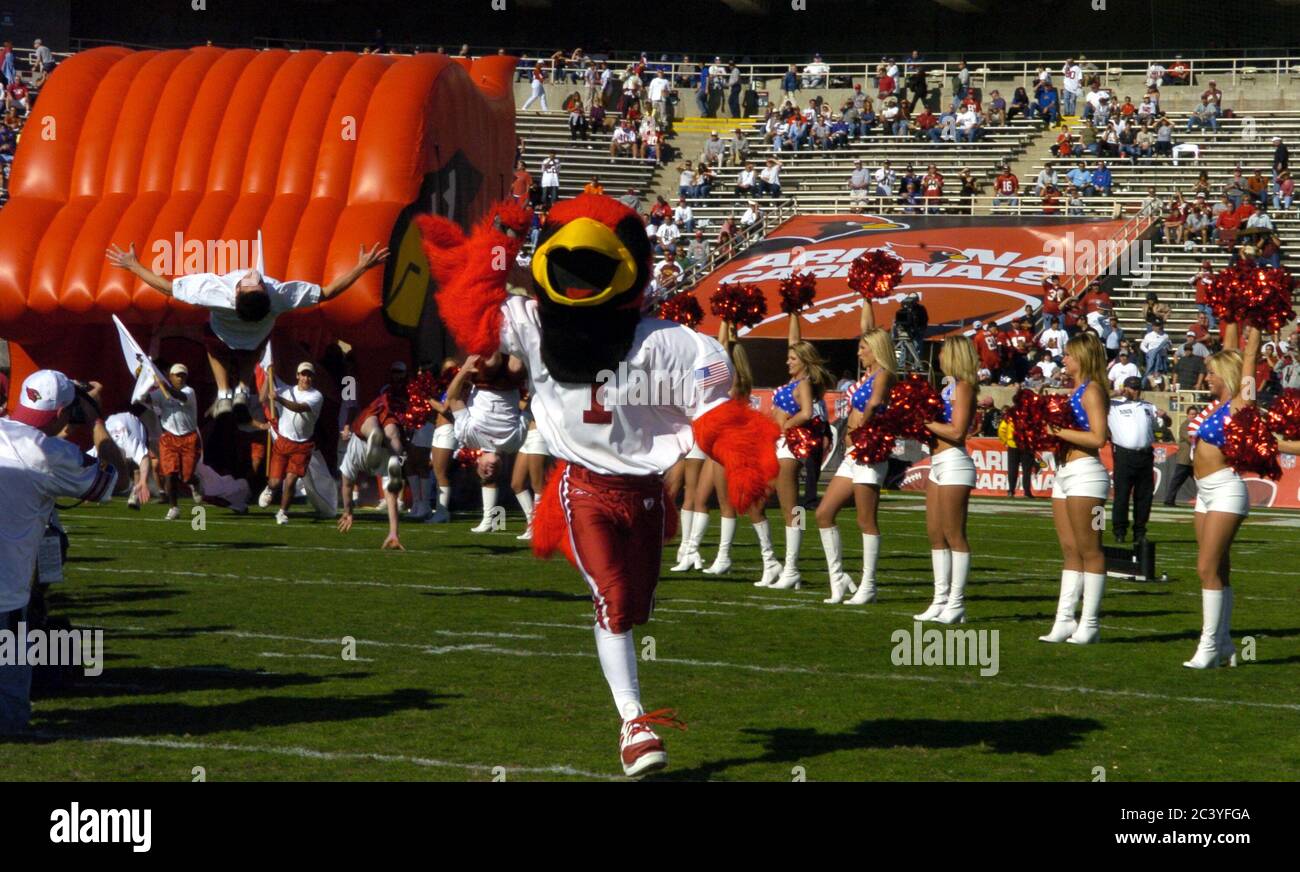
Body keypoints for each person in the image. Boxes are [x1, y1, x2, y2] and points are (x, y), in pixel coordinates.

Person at [106, 242, 387, 417]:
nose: (252, 274)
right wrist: (361, 267)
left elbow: (166, 288)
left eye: (252, 281)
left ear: (237, 292)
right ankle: (241, 388)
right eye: (255, 281)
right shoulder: (278, 296)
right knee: (254, 352)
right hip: (254, 338)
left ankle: (224, 393)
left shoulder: (216, 292)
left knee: (213, 350)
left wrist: (133, 266)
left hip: (221, 335)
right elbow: (327, 293)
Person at [0, 370, 122, 733]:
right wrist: (96, 418)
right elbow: (117, 479)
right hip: (6, 597)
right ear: (60, 414)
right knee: (10, 710)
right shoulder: (50, 455)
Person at [815, 304, 895, 604]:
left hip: (870, 452)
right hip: (851, 454)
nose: (859, 352)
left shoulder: (884, 374)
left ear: (875, 350)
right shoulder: (867, 375)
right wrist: (867, 299)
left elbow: (874, 403)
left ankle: (869, 585)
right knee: (823, 514)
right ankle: (838, 578)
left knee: (866, 520)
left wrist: (862, 425)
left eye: (863, 347)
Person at [1040, 332, 1111, 645]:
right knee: (1070, 549)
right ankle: (1065, 619)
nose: (1063, 359)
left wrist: (1057, 430)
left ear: (1082, 357)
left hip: (1088, 477)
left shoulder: (1092, 391)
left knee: (1091, 550)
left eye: (1068, 354)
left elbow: (1098, 438)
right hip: (1065, 473)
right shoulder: (1073, 391)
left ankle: (1091, 622)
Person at [755, 308, 832, 591]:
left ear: (803, 362)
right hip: (777, 444)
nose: (787, 361)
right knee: (756, 502)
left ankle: (792, 567)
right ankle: (771, 562)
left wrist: (786, 425)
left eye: (792, 358)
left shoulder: (805, 383)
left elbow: (808, 412)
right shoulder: (790, 383)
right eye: (788, 357)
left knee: (792, 508)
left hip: (792, 446)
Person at [915, 337, 979, 624]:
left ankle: (957, 602)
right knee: (936, 534)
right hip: (938, 462)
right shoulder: (947, 387)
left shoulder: (964, 386)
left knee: (954, 535)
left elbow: (957, 432)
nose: (938, 355)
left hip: (955, 463)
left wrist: (923, 420)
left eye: (942, 351)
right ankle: (940, 599)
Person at [258, 361, 324, 525]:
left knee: (291, 481)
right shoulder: (287, 390)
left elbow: (299, 408)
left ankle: (282, 512)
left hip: (302, 446)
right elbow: (262, 398)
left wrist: (279, 398)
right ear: (297, 376)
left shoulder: (316, 396)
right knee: (275, 482)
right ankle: (270, 488)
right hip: (283, 442)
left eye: (309, 375)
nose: (306, 378)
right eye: (303, 374)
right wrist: (267, 376)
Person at [1108, 376, 1159, 546]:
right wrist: (1116, 392)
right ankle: (1119, 531)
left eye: (1136, 388)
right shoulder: (1114, 405)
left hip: (1145, 454)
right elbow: (1097, 396)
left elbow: (1160, 424)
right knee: (1122, 495)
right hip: (1124, 454)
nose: (1133, 391)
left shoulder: (1148, 406)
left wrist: (1165, 418)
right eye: (1130, 387)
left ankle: (1140, 531)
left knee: (1144, 496)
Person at [336, 424, 404, 550]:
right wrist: (394, 532)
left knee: (372, 419)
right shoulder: (378, 463)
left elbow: (347, 486)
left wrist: (348, 512)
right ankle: (397, 455)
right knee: (391, 431)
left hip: (362, 445)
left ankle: (374, 432)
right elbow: (391, 497)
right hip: (385, 450)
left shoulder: (353, 459)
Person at [149, 363, 201, 520]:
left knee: (186, 476)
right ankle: (174, 507)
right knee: (169, 473)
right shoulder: (160, 392)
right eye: (177, 375)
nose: (180, 378)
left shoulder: (188, 391)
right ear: (171, 377)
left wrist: (165, 386)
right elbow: (146, 400)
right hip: (169, 438)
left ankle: (195, 482)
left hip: (188, 437)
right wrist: (144, 384)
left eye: (183, 375)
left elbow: (180, 397)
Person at [1163, 405, 1198, 507]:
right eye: (1192, 414)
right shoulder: (1185, 425)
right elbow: (1189, 439)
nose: (1193, 416)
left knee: (1199, 481)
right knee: (1177, 481)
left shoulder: (1198, 426)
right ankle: (1169, 500)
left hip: (1193, 460)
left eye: (1195, 414)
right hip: (1185, 459)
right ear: (1187, 415)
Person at [999, 412, 1036, 498]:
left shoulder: (1010, 416)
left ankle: (1011, 490)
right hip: (1027, 445)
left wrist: (1005, 441)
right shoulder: (1030, 415)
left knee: (1012, 469)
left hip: (1013, 444)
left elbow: (1002, 429)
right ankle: (1027, 491)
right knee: (1026, 470)